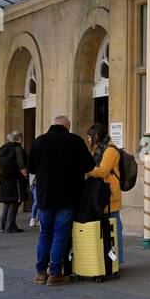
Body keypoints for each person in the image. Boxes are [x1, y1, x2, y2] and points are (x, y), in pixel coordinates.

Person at [28, 115, 95, 286]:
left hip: (45, 197)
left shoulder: (39, 142)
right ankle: (55, 273)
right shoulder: (75, 141)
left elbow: (31, 168)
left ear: (53, 124)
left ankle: (41, 273)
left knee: (44, 234)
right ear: (67, 126)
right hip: (67, 196)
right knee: (60, 234)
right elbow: (90, 166)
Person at [85, 124, 124, 265]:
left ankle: (116, 260)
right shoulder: (97, 150)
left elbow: (102, 171)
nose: (88, 140)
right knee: (105, 229)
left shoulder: (110, 150)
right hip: (99, 194)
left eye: (90, 137)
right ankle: (107, 260)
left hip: (109, 194)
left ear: (96, 136)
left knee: (114, 228)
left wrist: (85, 168)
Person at [0, 131, 29, 233]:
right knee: (15, 202)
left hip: (4, 180)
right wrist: (26, 176)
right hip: (16, 181)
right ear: (18, 138)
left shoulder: (3, 148)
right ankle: (10, 227)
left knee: (7, 203)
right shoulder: (18, 149)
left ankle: (3, 226)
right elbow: (21, 165)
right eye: (21, 138)